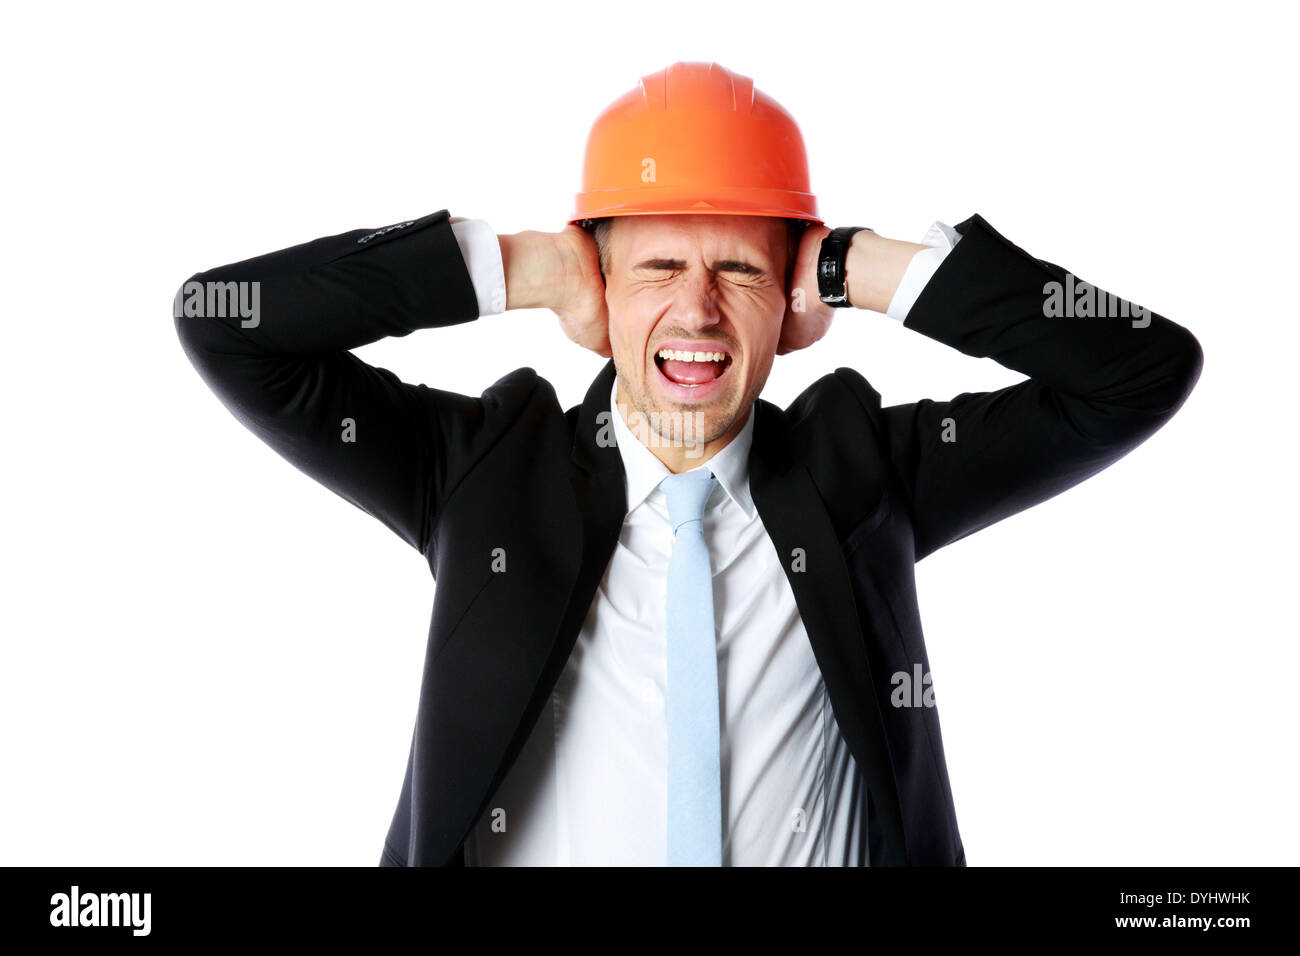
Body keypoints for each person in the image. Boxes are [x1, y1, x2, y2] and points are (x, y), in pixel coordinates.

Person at [173, 61, 1203, 866]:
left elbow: (1139, 370)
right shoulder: (482, 471)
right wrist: (517, 266)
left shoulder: (863, 473)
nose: (697, 309)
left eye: (741, 268)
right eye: (657, 264)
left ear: (792, 302)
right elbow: (230, 325)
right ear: (600, 284)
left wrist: (859, 265)